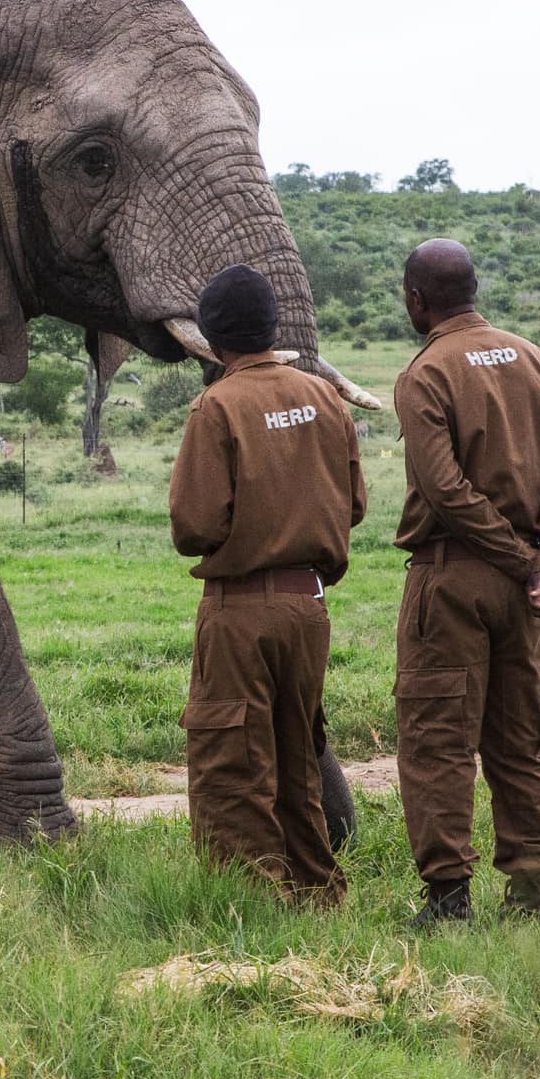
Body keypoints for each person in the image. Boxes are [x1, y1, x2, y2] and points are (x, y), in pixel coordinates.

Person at [391, 239, 540, 926]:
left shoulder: (425, 374)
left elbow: (443, 489)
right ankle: (529, 896)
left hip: (453, 579)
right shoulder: (537, 359)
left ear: (417, 300)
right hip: (526, 593)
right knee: (518, 740)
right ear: (474, 290)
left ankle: (449, 897)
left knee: (438, 738)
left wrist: (518, 557)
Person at [168, 265, 366, 906]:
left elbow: (195, 525)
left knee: (232, 760)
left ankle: (247, 901)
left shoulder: (217, 405)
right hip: (310, 607)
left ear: (211, 337)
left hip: (240, 610)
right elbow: (354, 504)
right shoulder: (323, 396)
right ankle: (315, 893)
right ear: (273, 326)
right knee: (295, 755)